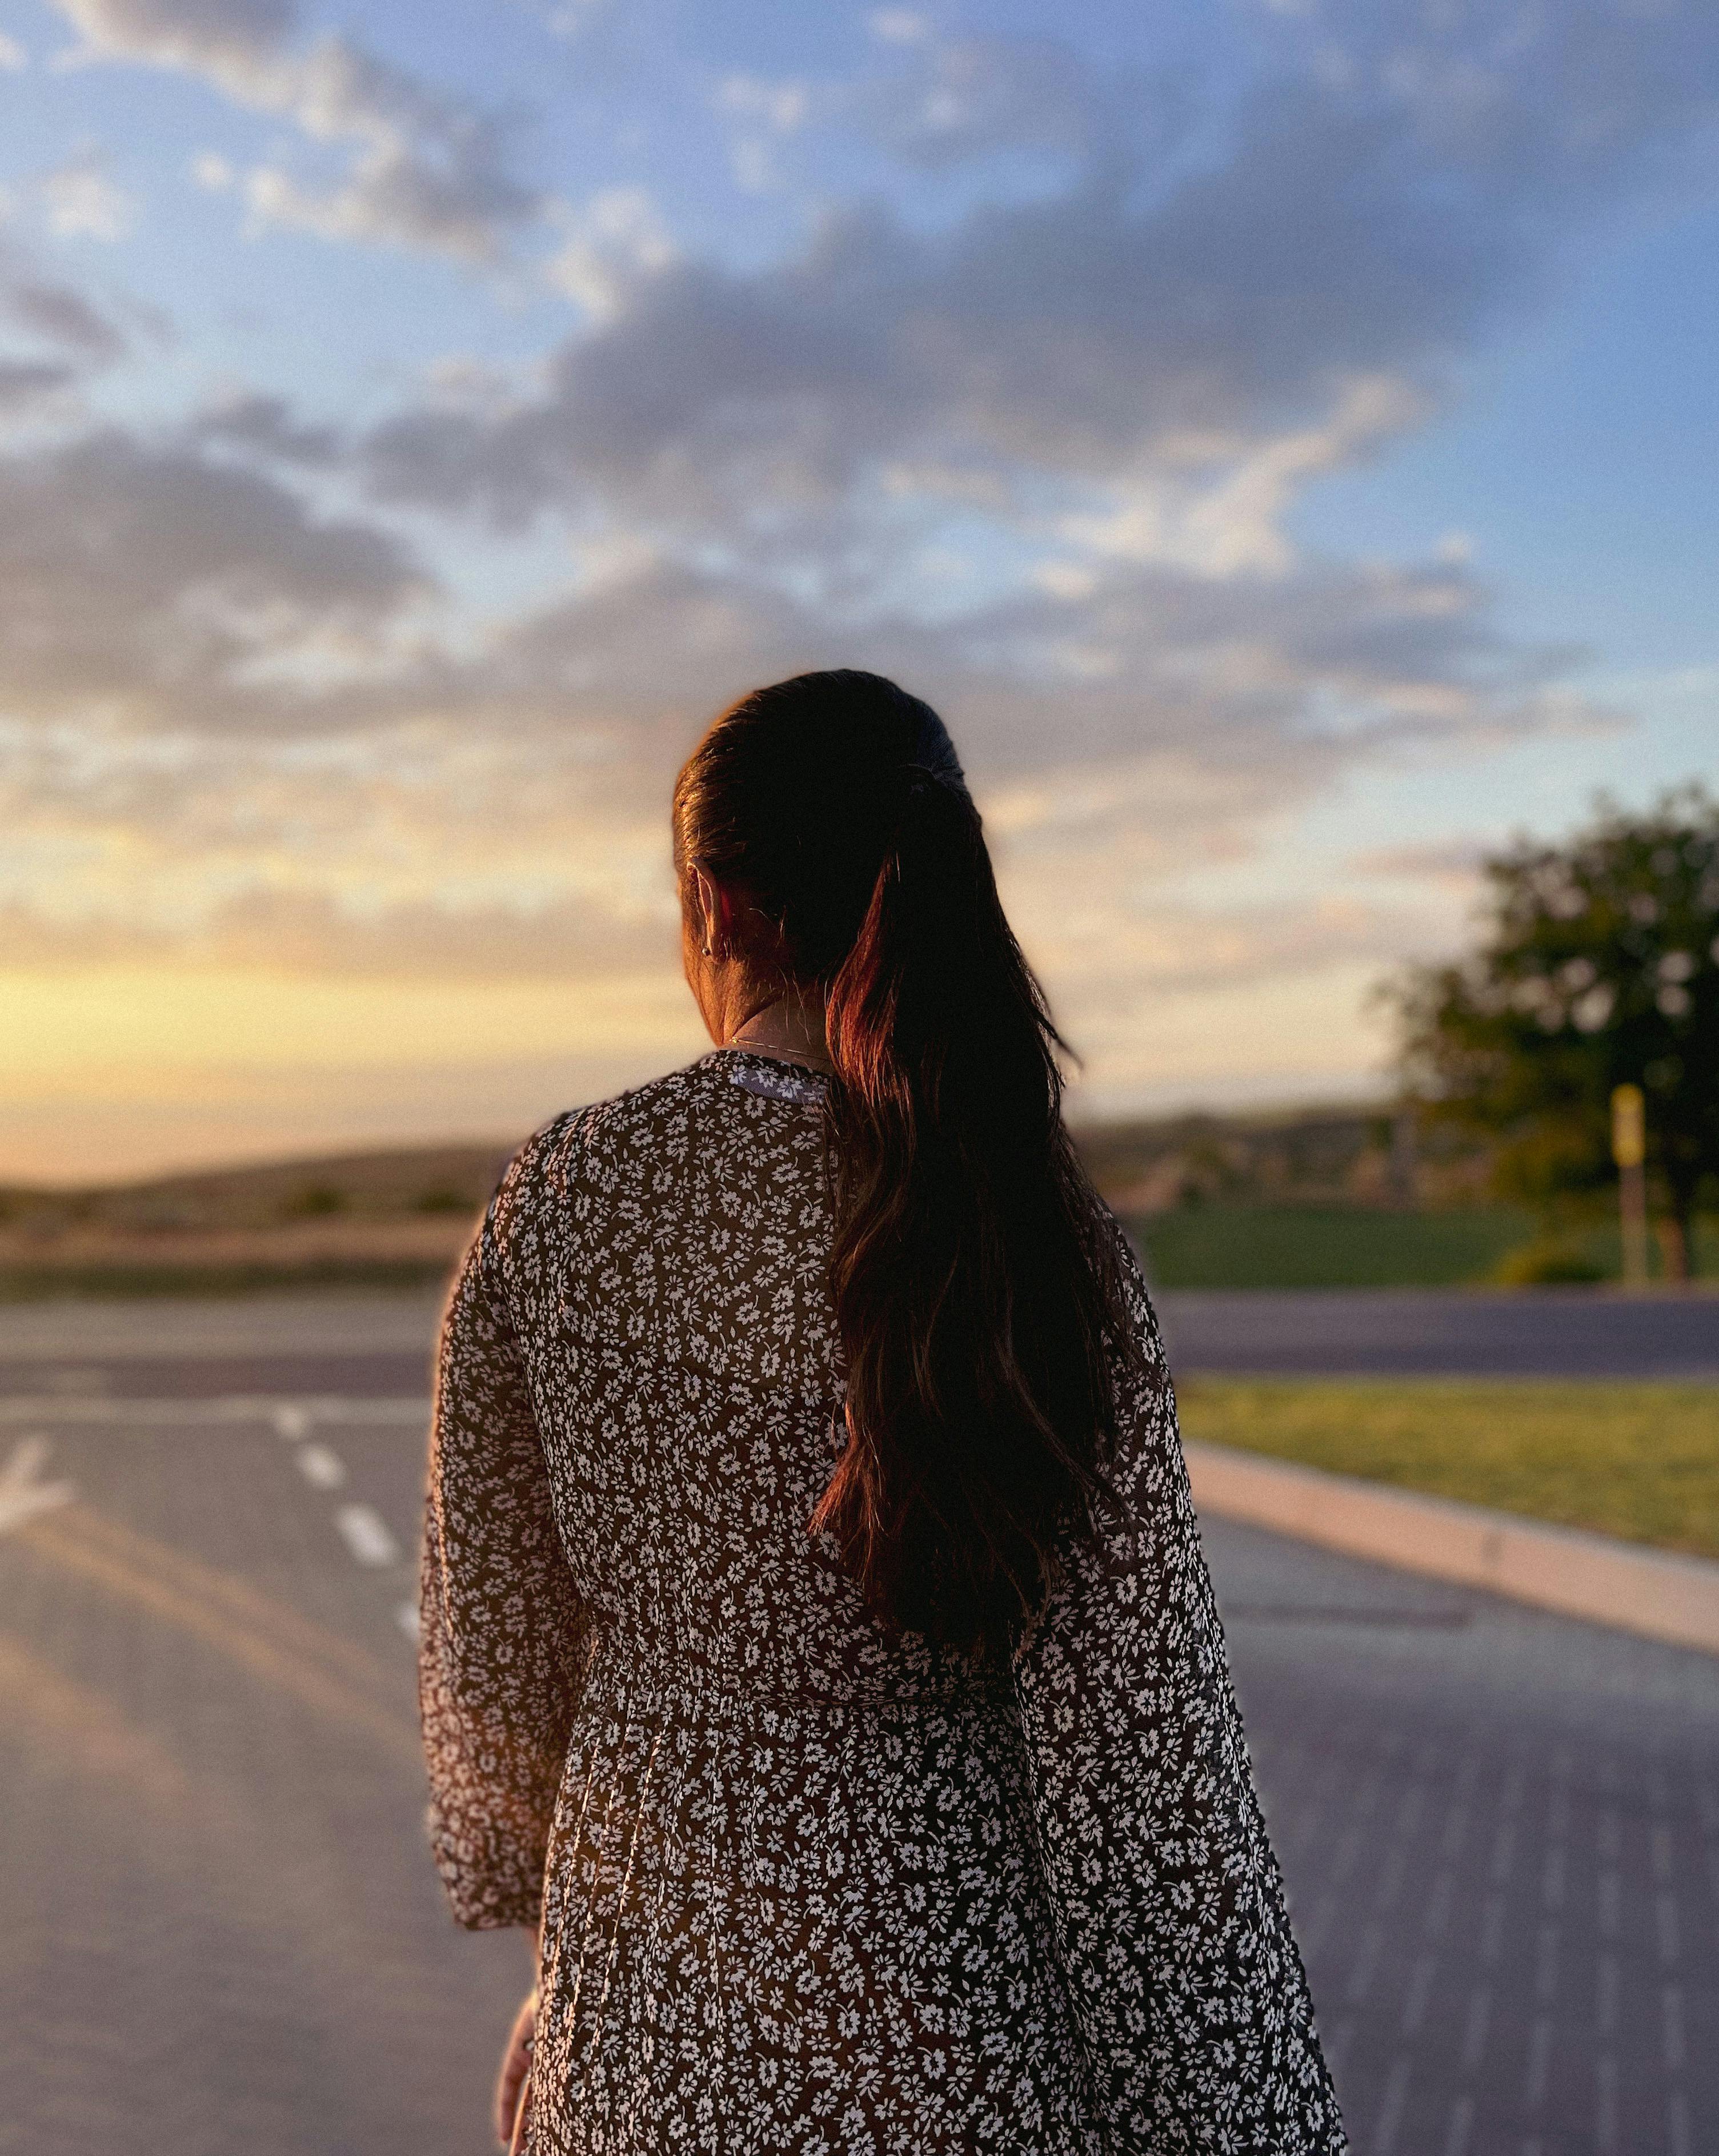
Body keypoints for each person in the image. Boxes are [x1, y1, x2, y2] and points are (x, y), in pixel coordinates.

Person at [418, 669, 1346, 2155]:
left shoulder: (566, 1195)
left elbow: (493, 1663)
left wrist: (559, 1966)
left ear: (720, 908)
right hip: (954, 2062)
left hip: (654, 2045)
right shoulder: (1029, 1225)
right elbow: (1143, 1771)